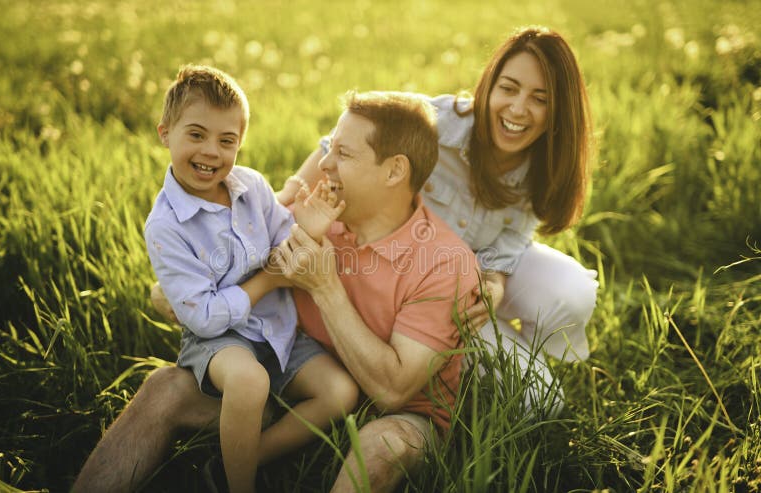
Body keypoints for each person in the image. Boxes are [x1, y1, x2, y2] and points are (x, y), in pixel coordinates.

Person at [73, 90, 478, 492]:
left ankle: (243, 461)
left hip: (401, 415)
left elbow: (392, 392)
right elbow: (210, 273)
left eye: (344, 154)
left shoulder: (444, 263)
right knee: (166, 389)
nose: (324, 164)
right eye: (329, 148)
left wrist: (325, 288)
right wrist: (168, 296)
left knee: (381, 446)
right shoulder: (312, 218)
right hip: (295, 379)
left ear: (394, 172)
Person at [277, 26, 599, 407]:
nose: (517, 109)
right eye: (508, 88)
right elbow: (340, 144)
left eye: (539, 98)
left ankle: (525, 354)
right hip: (417, 276)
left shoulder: (545, 163)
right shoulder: (437, 121)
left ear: (557, 111)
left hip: (468, 277)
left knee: (571, 294)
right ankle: (491, 360)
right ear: (489, 86)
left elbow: (514, 236)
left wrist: (494, 281)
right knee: (538, 402)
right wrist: (289, 191)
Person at [107, 64, 358, 493]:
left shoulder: (252, 187)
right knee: (248, 380)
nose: (211, 152)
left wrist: (309, 227)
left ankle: (242, 456)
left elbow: (284, 243)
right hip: (218, 341)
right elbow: (202, 318)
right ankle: (239, 485)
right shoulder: (166, 226)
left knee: (339, 392)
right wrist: (268, 282)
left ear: (241, 143)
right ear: (165, 133)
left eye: (227, 141)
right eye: (197, 135)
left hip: (277, 330)